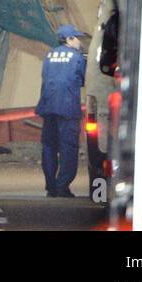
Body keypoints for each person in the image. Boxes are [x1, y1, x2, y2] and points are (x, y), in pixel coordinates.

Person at [36, 24, 87, 198]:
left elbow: (45, 77)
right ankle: (62, 186)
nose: (80, 41)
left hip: (48, 107)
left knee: (49, 147)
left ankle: (51, 186)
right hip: (67, 109)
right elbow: (81, 80)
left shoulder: (49, 55)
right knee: (68, 148)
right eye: (77, 37)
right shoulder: (77, 57)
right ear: (69, 39)